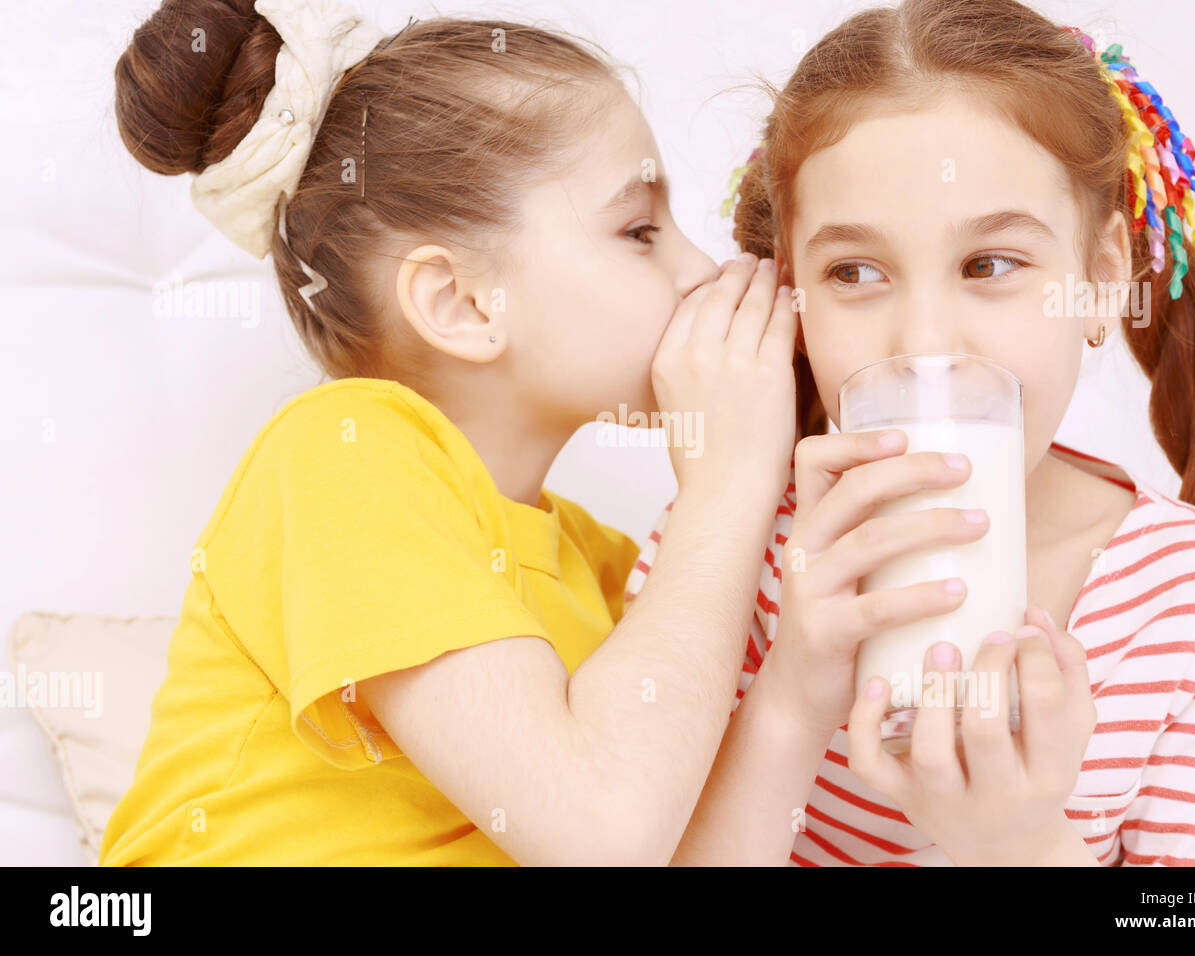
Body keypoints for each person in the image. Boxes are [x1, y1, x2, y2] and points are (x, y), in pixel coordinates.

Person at [99, 0, 802, 865]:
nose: (701, 272)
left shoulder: (619, 572)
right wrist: (729, 485)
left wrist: (796, 692)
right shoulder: (342, 451)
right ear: (461, 304)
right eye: (640, 231)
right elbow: (599, 832)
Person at [627, 0, 1195, 866]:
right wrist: (791, 700)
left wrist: (1023, 843)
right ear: (789, 300)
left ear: (1097, 282)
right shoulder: (723, 553)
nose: (925, 348)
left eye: (989, 265)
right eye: (854, 272)